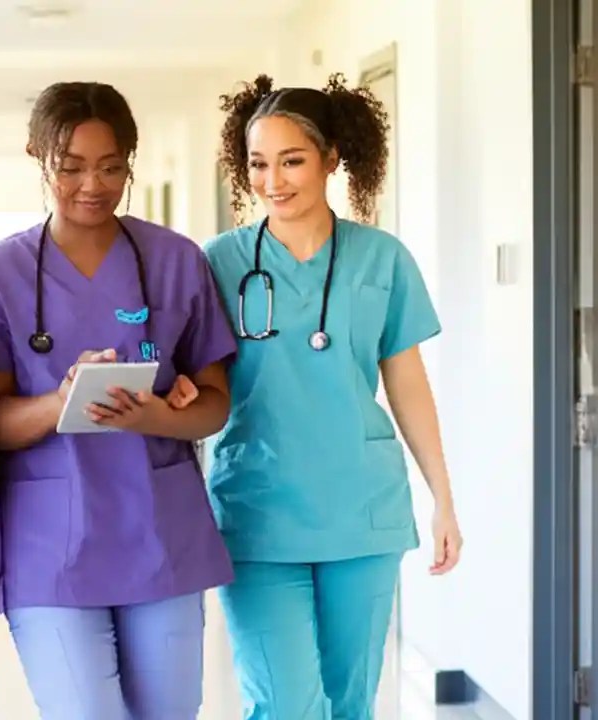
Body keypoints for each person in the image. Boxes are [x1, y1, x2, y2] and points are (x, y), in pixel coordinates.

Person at [0, 81, 236, 720]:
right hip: (49, 543)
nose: (93, 184)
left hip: (159, 534)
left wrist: (160, 415)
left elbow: (216, 403)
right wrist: (61, 401)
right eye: (72, 167)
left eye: (112, 167)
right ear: (38, 156)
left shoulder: (175, 261)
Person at [204, 73, 464, 720]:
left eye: (291, 160)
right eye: (258, 164)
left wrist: (443, 500)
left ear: (331, 160)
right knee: (284, 704)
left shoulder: (382, 259)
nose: (273, 181)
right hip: (257, 513)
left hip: (363, 511)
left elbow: (407, 383)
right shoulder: (218, 263)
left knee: (349, 703)